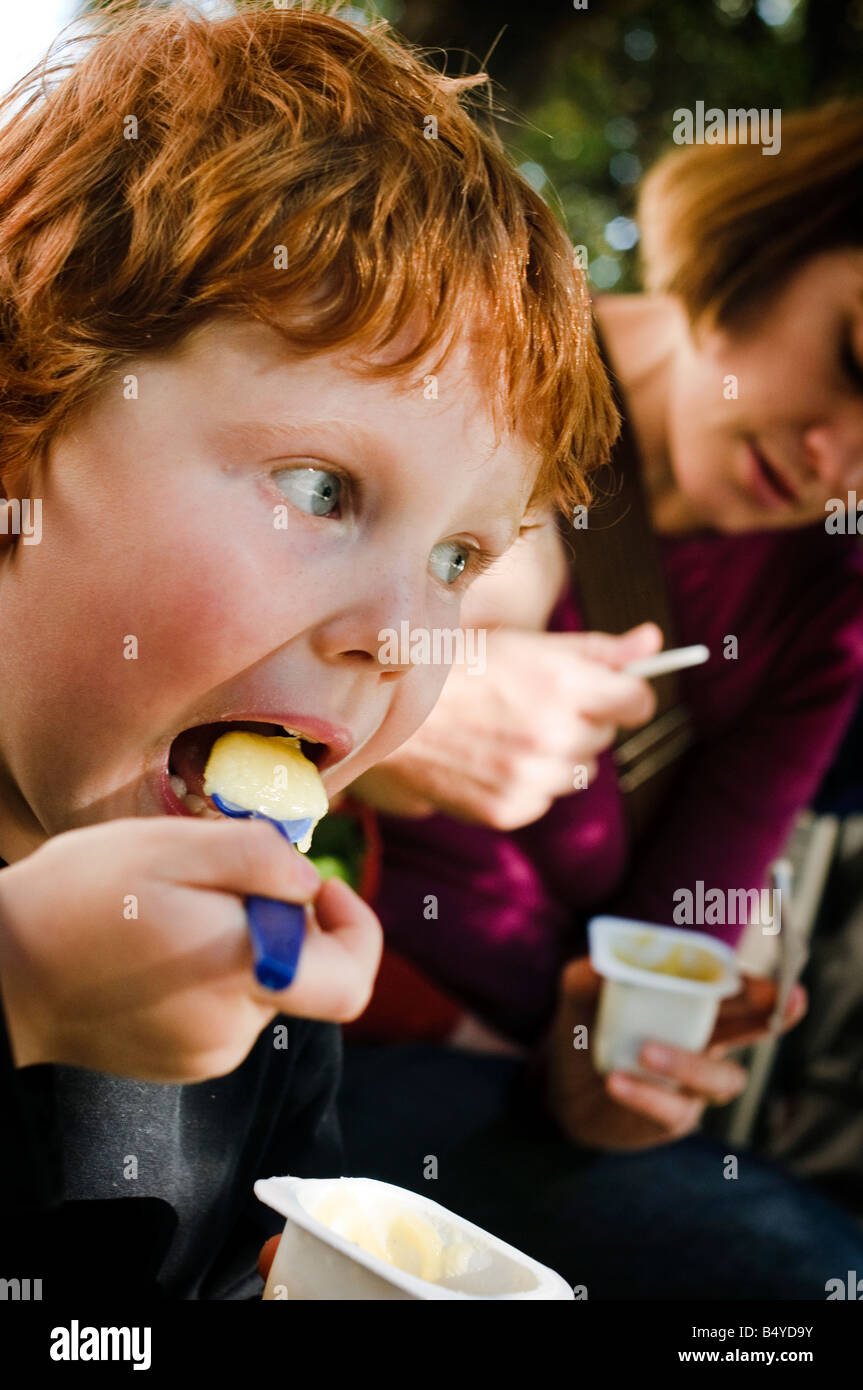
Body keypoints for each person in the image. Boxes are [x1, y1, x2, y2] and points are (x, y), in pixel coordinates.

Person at [0, 1, 614, 1300]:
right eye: (322, 488)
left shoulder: (269, 1006)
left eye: (458, 561)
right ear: (20, 434)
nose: (396, 636)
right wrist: (18, 990)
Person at [339, 100, 863, 1297]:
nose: (840, 458)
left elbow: (673, 940)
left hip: (486, 1087)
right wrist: (406, 709)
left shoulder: (822, 614)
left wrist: (618, 1070)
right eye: (855, 354)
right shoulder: (460, 340)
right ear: (775, 235)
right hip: (245, 988)